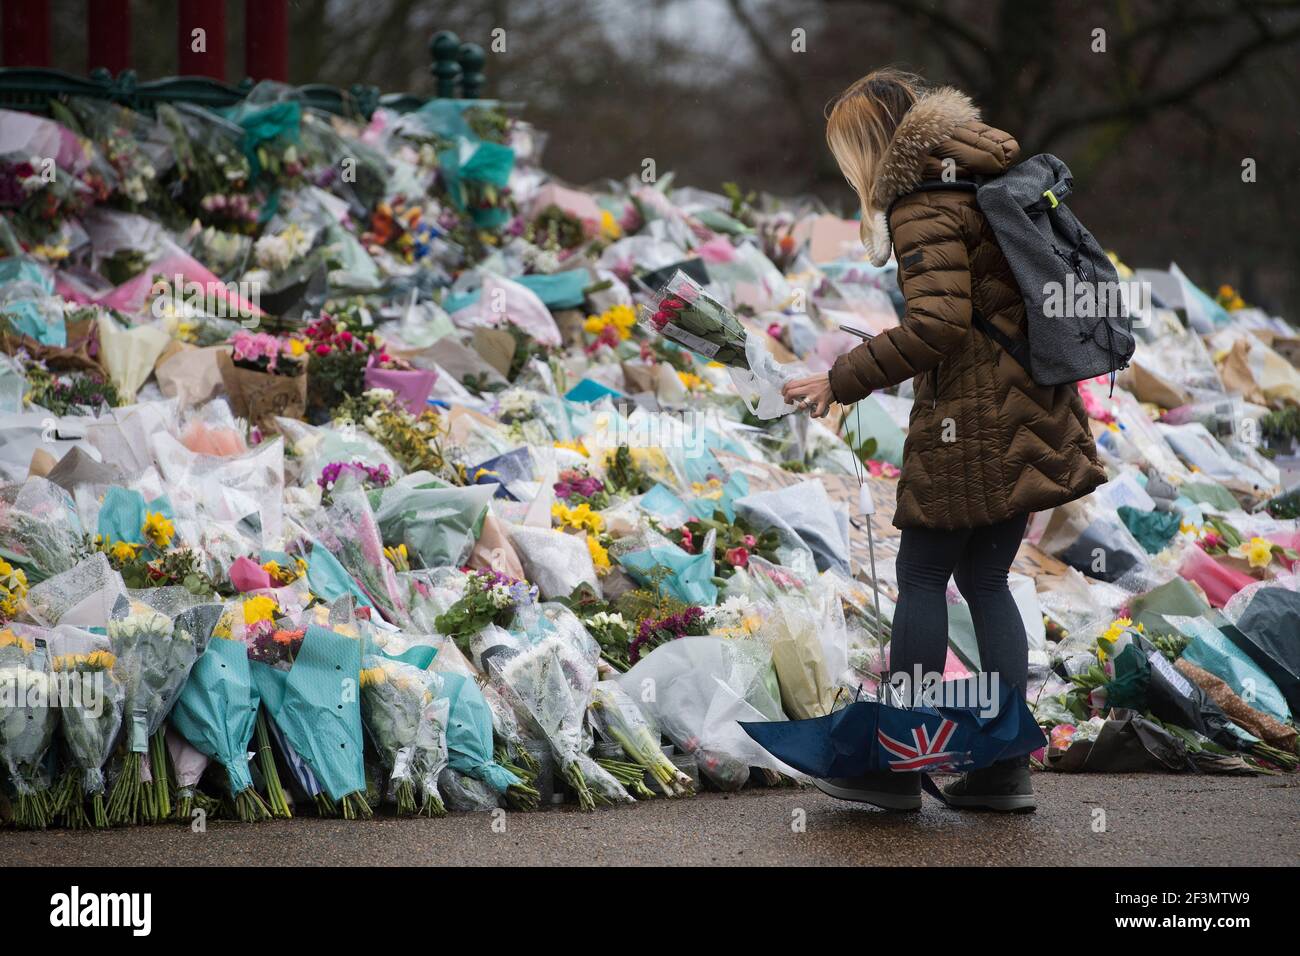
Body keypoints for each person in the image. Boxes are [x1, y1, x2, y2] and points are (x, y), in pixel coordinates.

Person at [782, 69, 1106, 813]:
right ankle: (1002, 767)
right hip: (1034, 403)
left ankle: (899, 766)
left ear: (872, 146)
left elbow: (938, 325)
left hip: (974, 417)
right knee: (986, 580)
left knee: (924, 575)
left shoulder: (921, 202)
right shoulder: (984, 174)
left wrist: (843, 379)